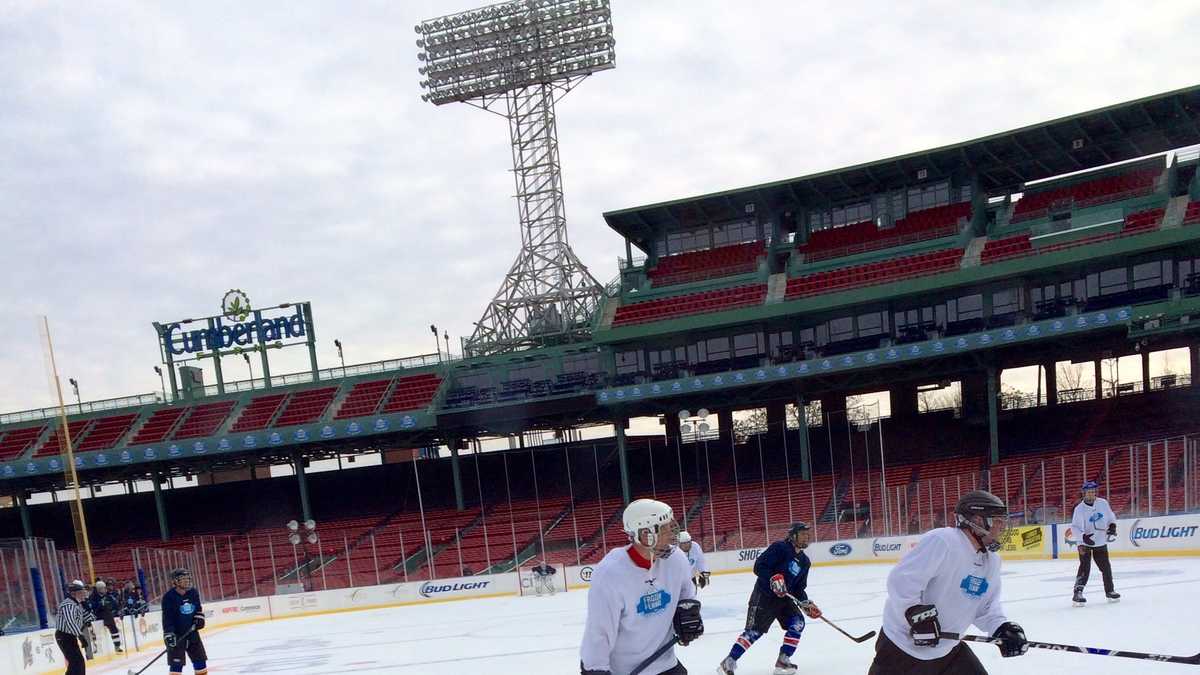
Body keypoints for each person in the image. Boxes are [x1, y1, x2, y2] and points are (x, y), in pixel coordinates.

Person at [868, 490, 1029, 674]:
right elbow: (902, 581)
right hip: (902, 647)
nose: (1002, 527)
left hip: (947, 650)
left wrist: (1000, 628)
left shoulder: (991, 560)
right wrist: (916, 614)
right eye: (997, 521)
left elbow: (985, 607)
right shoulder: (944, 541)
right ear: (977, 521)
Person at [581, 498, 703, 675]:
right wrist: (596, 669)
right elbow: (599, 632)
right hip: (624, 670)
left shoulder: (676, 560)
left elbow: (687, 598)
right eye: (665, 528)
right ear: (645, 534)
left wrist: (687, 615)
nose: (672, 534)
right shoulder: (610, 574)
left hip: (666, 665)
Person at [718, 522, 821, 675]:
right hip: (764, 596)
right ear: (793, 536)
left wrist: (805, 602)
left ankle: (783, 660)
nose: (807, 537)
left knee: (798, 623)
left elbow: (799, 588)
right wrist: (773, 578)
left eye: (808, 534)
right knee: (754, 632)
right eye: (803, 534)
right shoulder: (780, 548)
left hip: (784, 599)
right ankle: (729, 661)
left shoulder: (805, 562)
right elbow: (759, 566)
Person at [1071, 480, 1119, 605]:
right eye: (1089, 492)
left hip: (1100, 540)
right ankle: (1078, 592)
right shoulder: (1079, 509)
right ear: (1084, 493)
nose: (1091, 494)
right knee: (1085, 568)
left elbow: (1110, 516)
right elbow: (1075, 527)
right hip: (1084, 543)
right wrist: (1083, 537)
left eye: (1093, 491)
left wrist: (1112, 525)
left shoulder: (1103, 503)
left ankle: (1110, 591)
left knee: (1106, 567)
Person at [161, 568, 208, 675]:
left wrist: (199, 619)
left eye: (187, 578)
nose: (186, 581)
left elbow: (198, 609)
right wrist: (169, 634)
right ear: (175, 582)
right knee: (176, 664)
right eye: (183, 579)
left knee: (200, 660)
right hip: (177, 635)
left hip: (192, 633)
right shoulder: (168, 597)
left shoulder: (193, 593)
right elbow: (167, 618)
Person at [55, 580, 93, 675]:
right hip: (64, 636)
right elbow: (70, 622)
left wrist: (88, 607)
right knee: (76, 662)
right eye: (81, 592)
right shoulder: (68, 605)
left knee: (77, 662)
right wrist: (80, 636)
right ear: (74, 593)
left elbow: (90, 618)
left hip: (71, 636)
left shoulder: (77, 604)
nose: (83, 594)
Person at [88, 580, 123, 653]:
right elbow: (91, 606)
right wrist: (100, 605)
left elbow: (115, 604)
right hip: (97, 617)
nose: (104, 590)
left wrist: (119, 611)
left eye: (104, 588)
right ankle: (95, 647)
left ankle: (117, 646)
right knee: (95, 633)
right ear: (98, 589)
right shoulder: (93, 597)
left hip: (107, 616)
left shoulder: (108, 596)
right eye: (101, 588)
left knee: (114, 629)